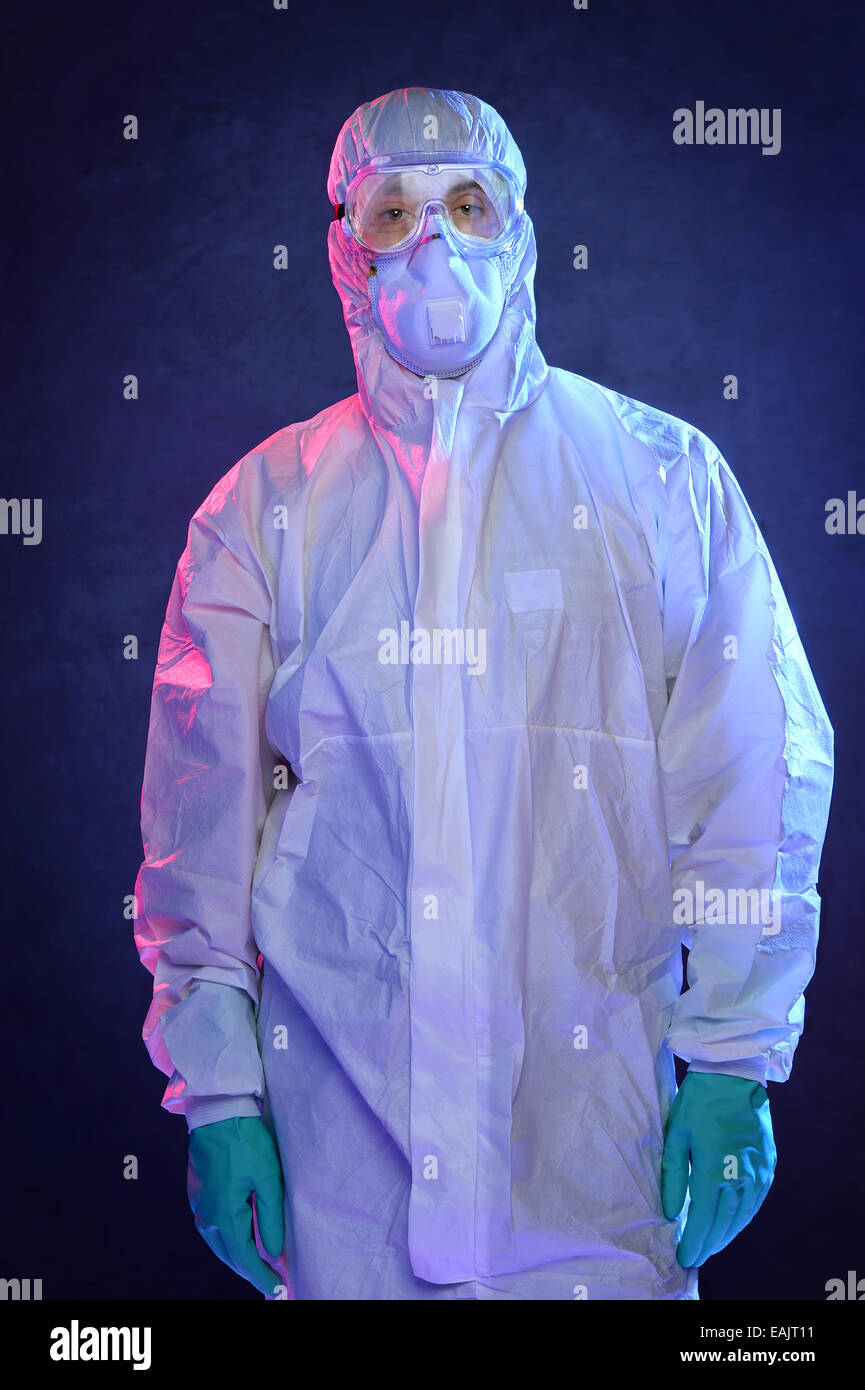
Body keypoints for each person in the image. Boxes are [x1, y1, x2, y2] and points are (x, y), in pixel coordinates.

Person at [134, 86, 834, 1301]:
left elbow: (752, 771)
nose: (436, 241)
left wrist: (731, 1057)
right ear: (346, 252)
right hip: (341, 1146)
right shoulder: (266, 508)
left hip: (590, 1147)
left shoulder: (659, 478)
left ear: (518, 224)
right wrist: (221, 1091)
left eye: (468, 204)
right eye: (393, 212)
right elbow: (199, 816)